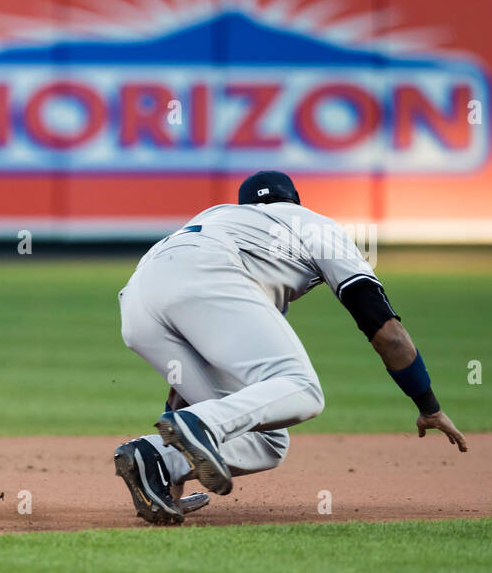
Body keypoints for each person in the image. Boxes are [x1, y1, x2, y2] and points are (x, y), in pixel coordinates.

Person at [113, 170, 468, 525]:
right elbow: (387, 333)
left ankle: (155, 459)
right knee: (303, 389)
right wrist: (428, 405)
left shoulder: (220, 218)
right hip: (209, 273)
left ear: (246, 205)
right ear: (295, 200)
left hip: (138, 300)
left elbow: (193, 362)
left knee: (267, 443)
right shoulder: (315, 225)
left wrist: (169, 472)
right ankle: (199, 425)